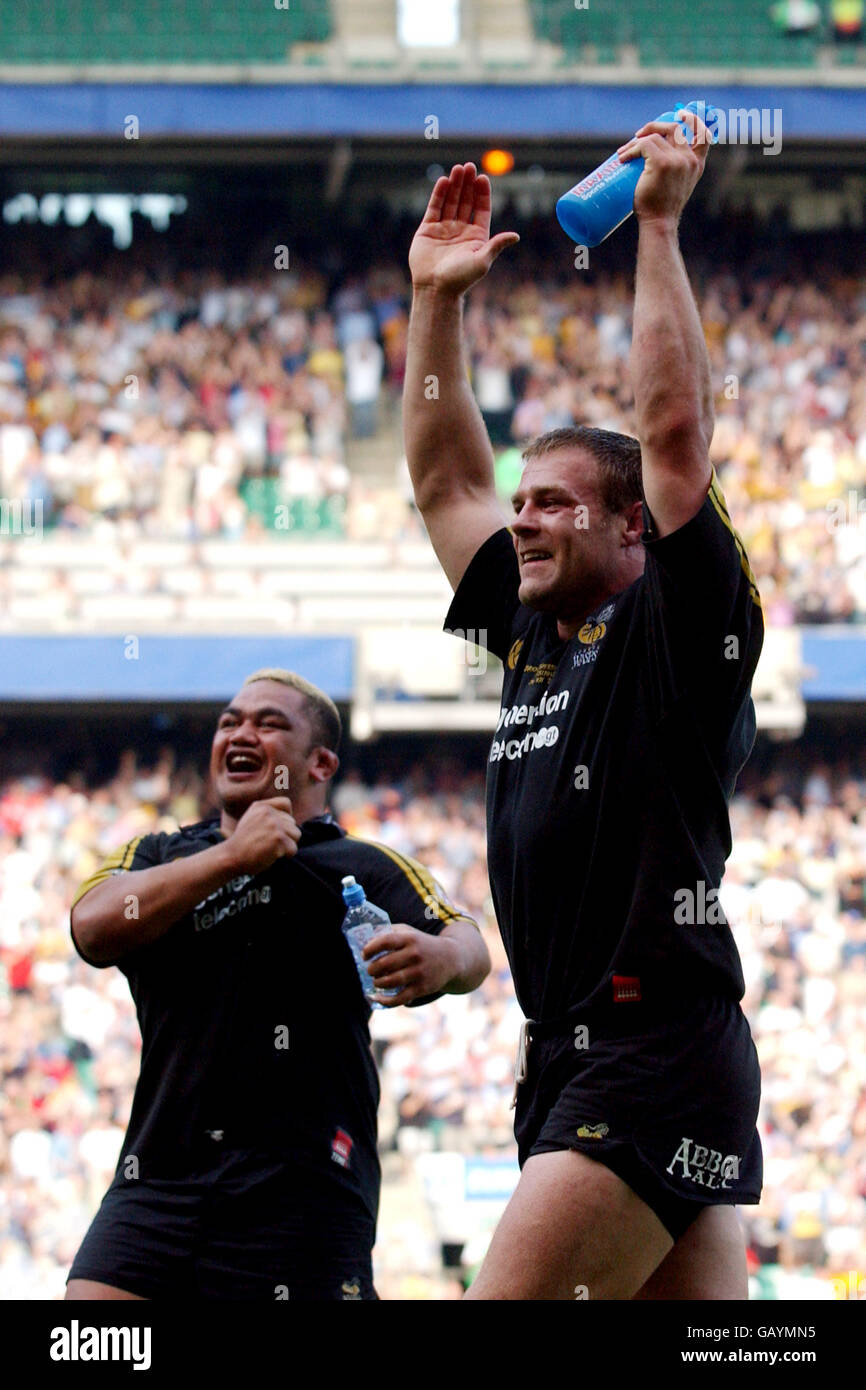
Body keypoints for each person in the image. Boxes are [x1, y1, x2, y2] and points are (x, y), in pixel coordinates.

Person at [403, 119, 764, 1300]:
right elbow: (447, 479)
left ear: (630, 532)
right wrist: (435, 303)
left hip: (646, 1053)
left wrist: (654, 223)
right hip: (572, 1055)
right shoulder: (530, 630)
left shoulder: (673, 626)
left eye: (554, 504)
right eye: (524, 502)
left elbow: (671, 438)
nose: (521, 520)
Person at [65, 668, 489, 1301]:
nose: (240, 733)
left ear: (319, 763)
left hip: (305, 1188)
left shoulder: (362, 865)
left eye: (268, 723)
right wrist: (233, 856)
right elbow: (91, 927)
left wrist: (442, 959)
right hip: (158, 1179)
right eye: (229, 721)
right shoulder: (157, 856)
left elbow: (468, 942)